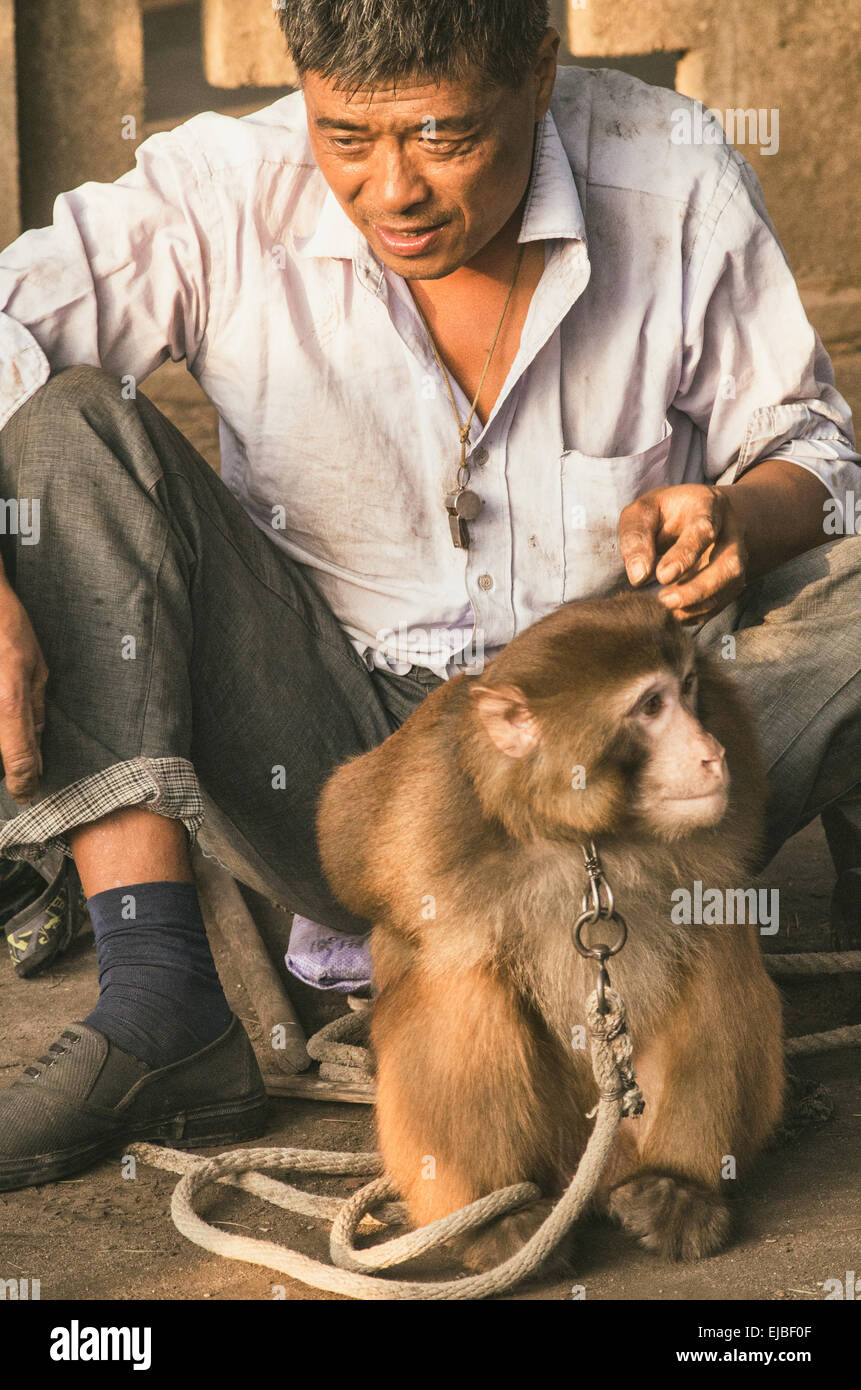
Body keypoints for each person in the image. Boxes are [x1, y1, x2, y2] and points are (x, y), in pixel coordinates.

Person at [0, 0, 858, 1191]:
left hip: (641, 768)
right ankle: (161, 1002)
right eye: (347, 136)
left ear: (540, 73)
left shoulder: (670, 172)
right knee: (58, 437)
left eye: (445, 137)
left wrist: (740, 515)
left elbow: (815, 450)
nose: (391, 189)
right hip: (339, 753)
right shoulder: (220, 186)